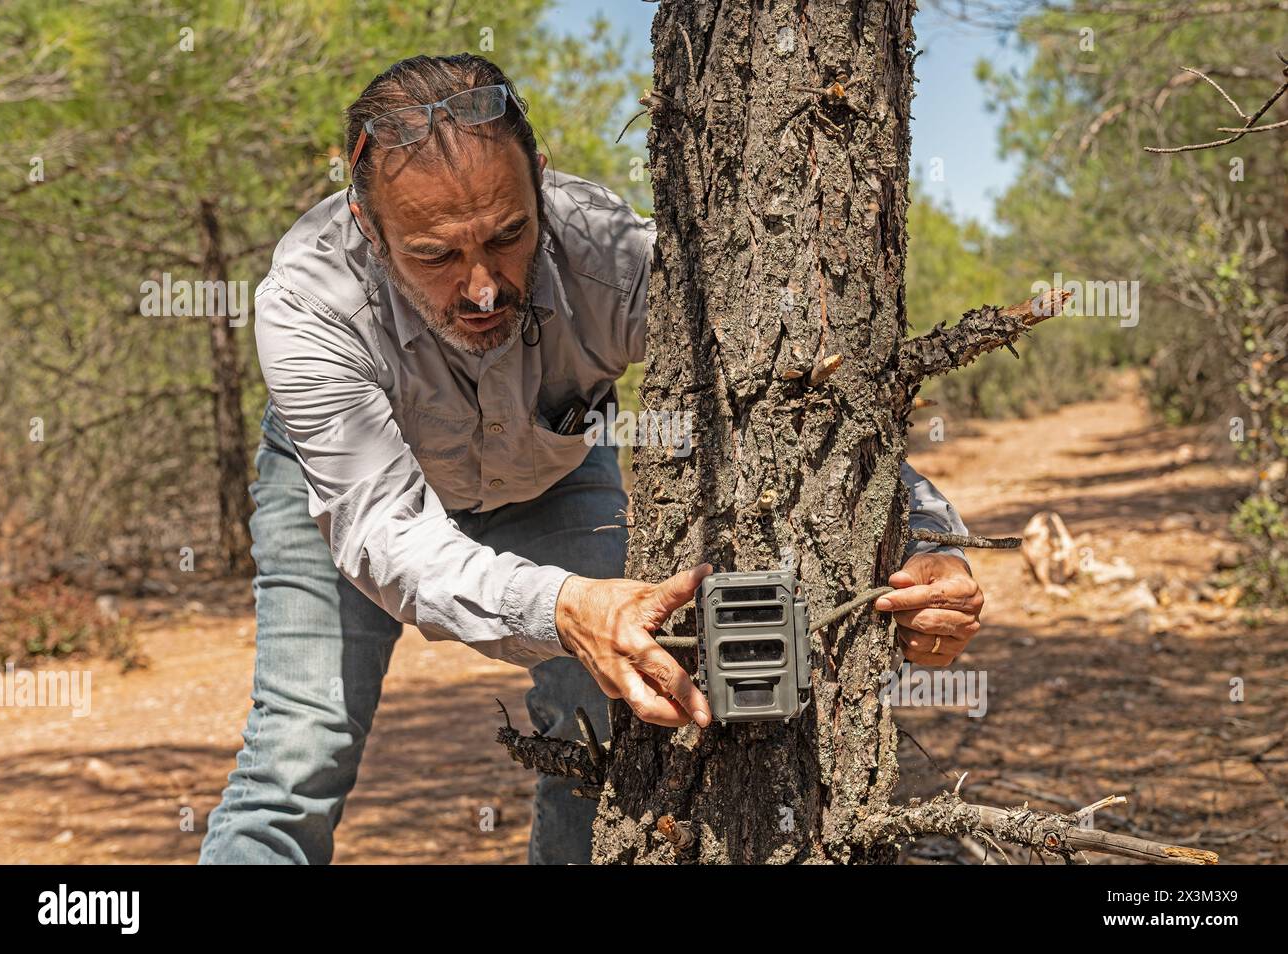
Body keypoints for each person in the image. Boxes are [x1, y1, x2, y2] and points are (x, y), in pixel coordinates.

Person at [199, 52, 983, 866]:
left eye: (508, 235)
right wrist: (564, 607)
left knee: (606, 725)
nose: (480, 289)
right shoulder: (306, 299)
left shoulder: (609, 254)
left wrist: (924, 537)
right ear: (369, 227)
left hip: (553, 476)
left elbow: (789, 401)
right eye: (434, 254)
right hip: (347, 495)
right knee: (298, 756)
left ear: (538, 179)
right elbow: (388, 536)